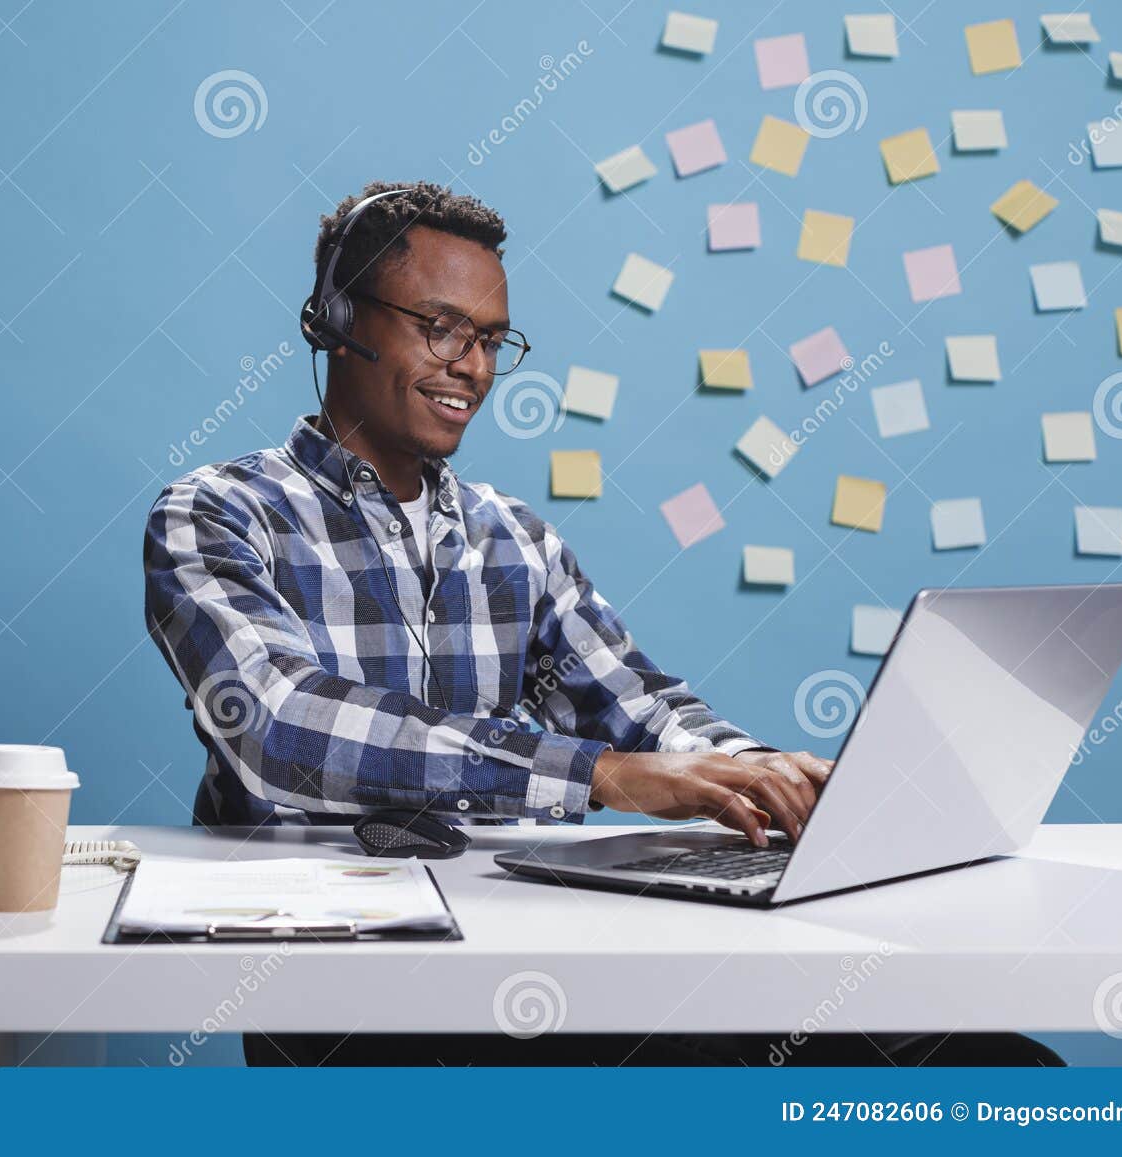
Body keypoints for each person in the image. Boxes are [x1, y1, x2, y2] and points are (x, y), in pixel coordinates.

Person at [143, 180, 1062, 1068]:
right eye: (442, 327)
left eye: (491, 340)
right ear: (338, 320)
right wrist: (603, 774)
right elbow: (275, 722)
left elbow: (634, 704)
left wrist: (756, 774)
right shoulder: (219, 513)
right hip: (339, 987)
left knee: (982, 1061)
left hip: (512, 956)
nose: (473, 366)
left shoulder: (513, 537)